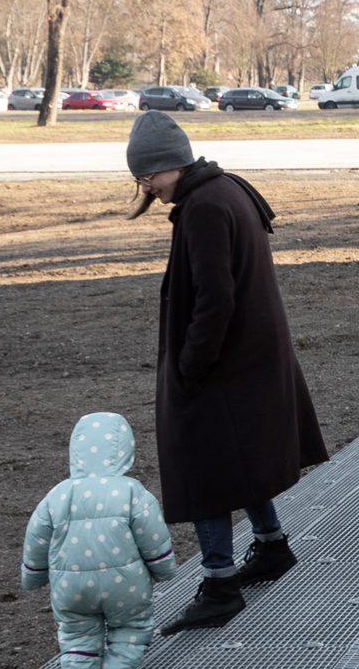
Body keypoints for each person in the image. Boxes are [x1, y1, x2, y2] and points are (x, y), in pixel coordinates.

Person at [124, 111, 329, 633]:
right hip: (250, 360)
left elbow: (215, 299)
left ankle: (219, 584)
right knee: (243, 457)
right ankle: (271, 546)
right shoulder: (225, 188)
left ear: (169, 165)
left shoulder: (204, 207)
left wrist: (191, 367)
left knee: (205, 467)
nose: (147, 189)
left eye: (148, 177)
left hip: (223, 365)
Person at [21, 411, 176, 669]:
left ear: (76, 451)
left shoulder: (57, 494)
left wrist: (33, 575)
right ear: (124, 451)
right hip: (124, 586)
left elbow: (36, 538)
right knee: (132, 625)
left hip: (71, 589)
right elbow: (152, 536)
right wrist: (164, 568)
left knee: (77, 637)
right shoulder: (131, 491)